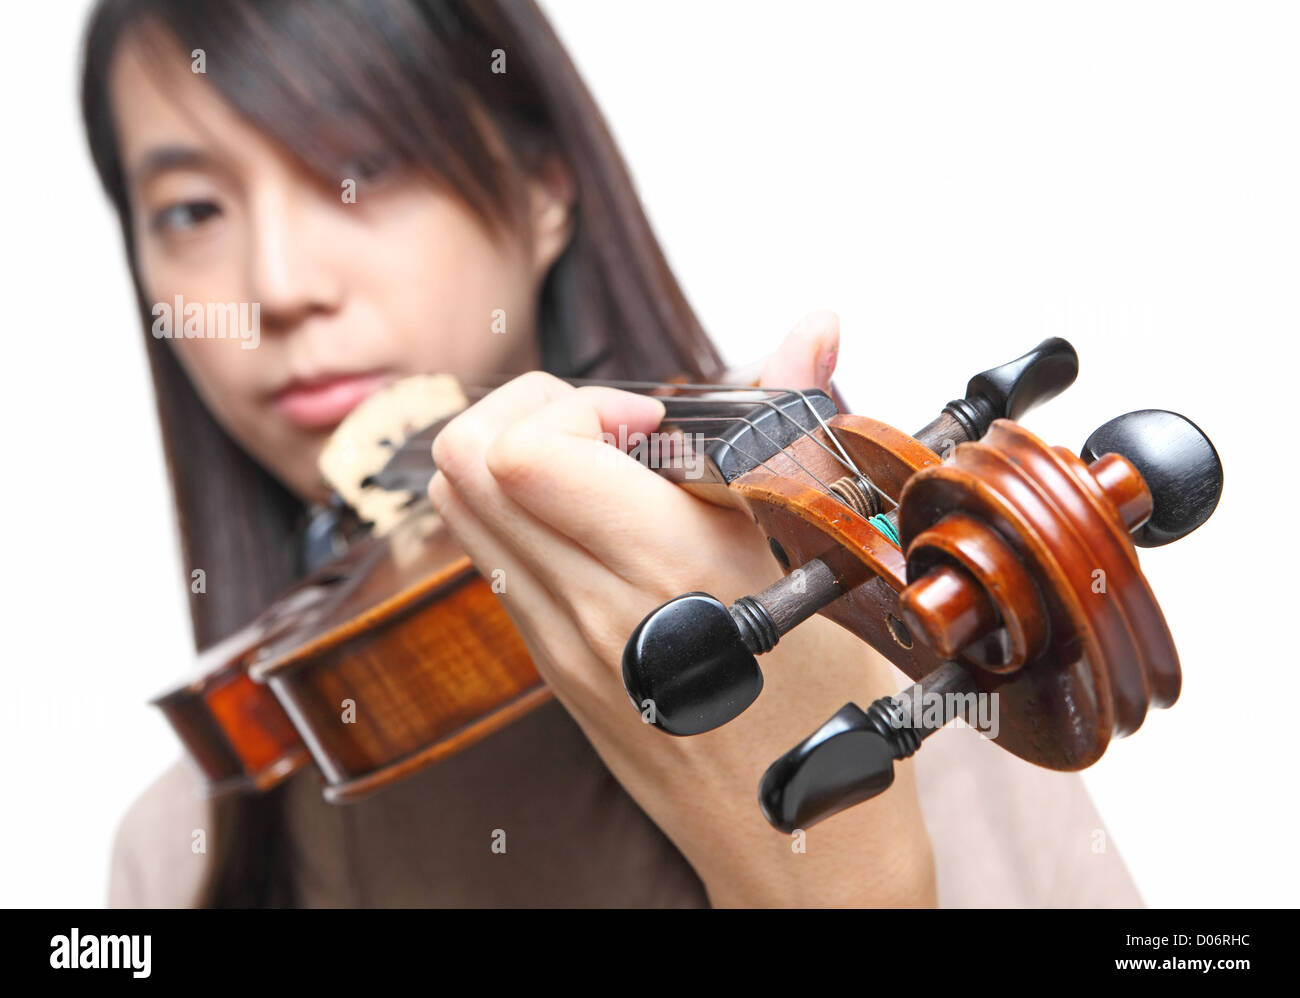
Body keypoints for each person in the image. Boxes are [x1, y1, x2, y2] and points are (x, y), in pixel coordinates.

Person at [84, 0, 1141, 908]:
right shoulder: (177, 841)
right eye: (191, 209)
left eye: (358, 166)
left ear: (544, 190)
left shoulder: (872, 649)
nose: (274, 284)